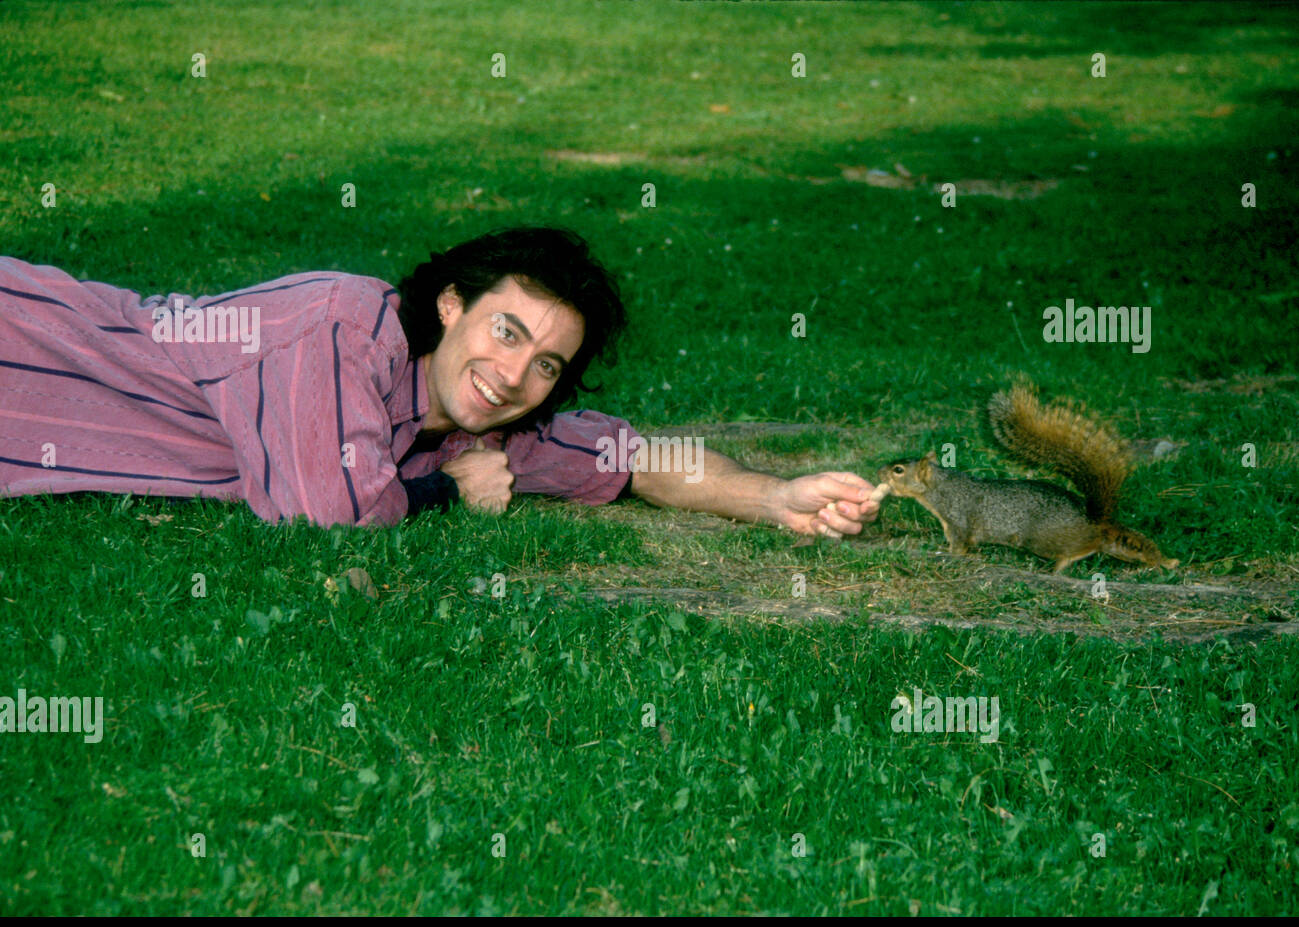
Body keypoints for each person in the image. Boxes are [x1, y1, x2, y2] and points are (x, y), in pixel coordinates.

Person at [0, 226, 880, 537]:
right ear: (450, 305)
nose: (513, 374)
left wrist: (773, 495)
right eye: (505, 330)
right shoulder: (343, 325)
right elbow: (325, 513)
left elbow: (635, 458)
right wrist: (445, 497)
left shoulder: (482, 423)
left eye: (545, 363)